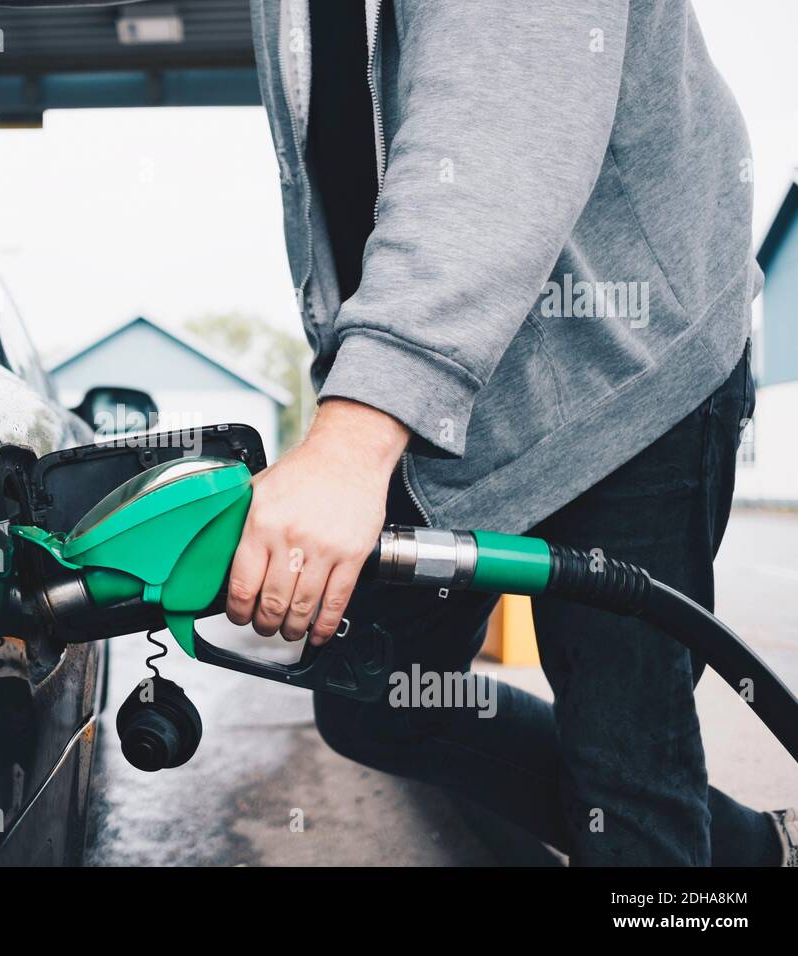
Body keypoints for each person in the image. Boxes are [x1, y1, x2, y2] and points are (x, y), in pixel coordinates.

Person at [223, 0, 795, 865]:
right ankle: (745, 854)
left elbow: (496, 144)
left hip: (628, 373)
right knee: (372, 695)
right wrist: (352, 399)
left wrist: (354, 439)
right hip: (455, 399)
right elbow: (336, 180)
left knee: (629, 773)